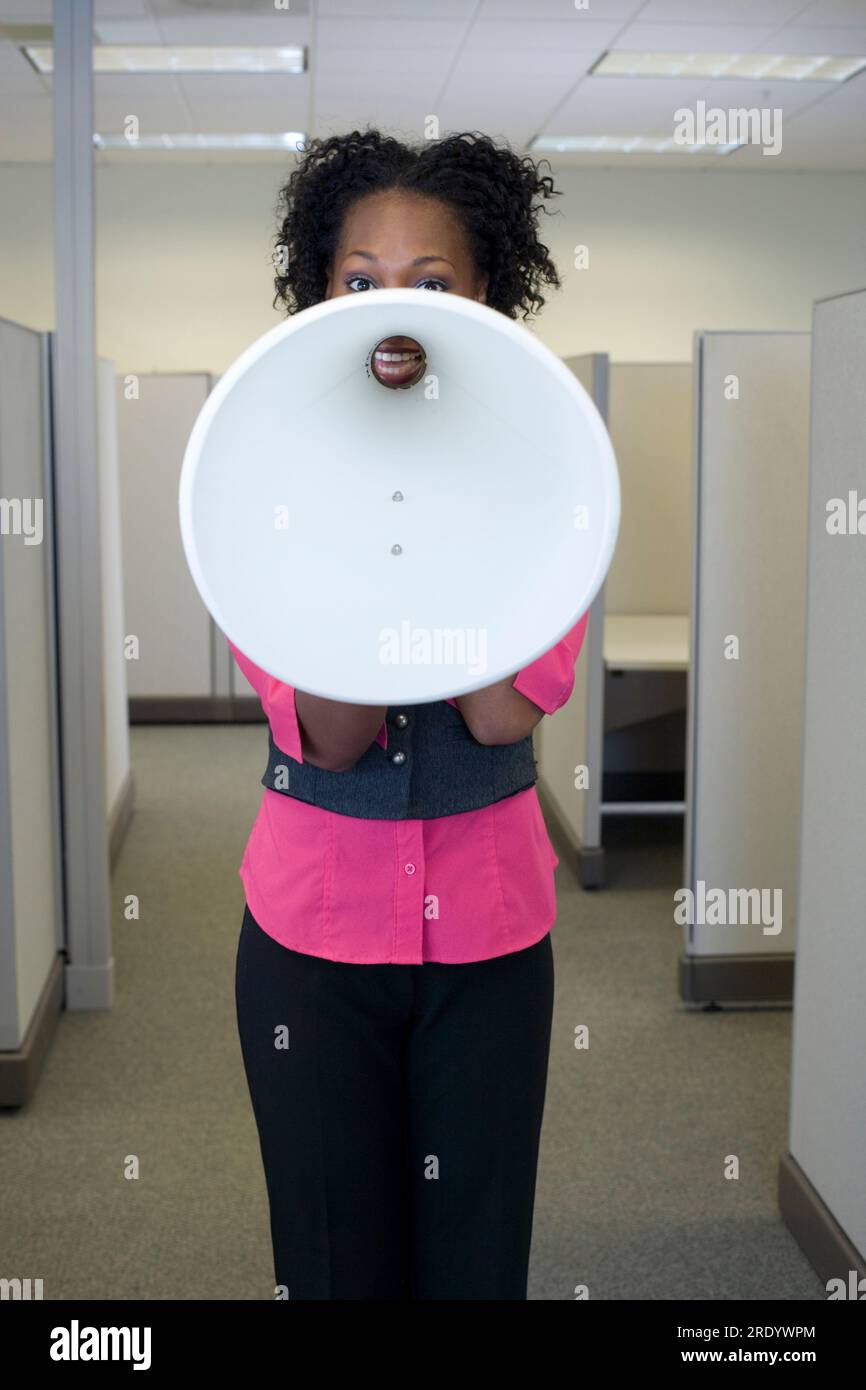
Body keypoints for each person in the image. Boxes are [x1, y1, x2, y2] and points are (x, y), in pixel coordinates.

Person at [230, 128, 589, 1300]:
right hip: (312, 941)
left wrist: (435, 506)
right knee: (334, 1260)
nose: (393, 308)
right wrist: (351, 508)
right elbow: (331, 735)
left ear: (486, 294)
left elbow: (497, 715)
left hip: (486, 937)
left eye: (431, 283)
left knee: (475, 1261)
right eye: (357, 280)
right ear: (316, 293)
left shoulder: (553, 480)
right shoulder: (253, 478)